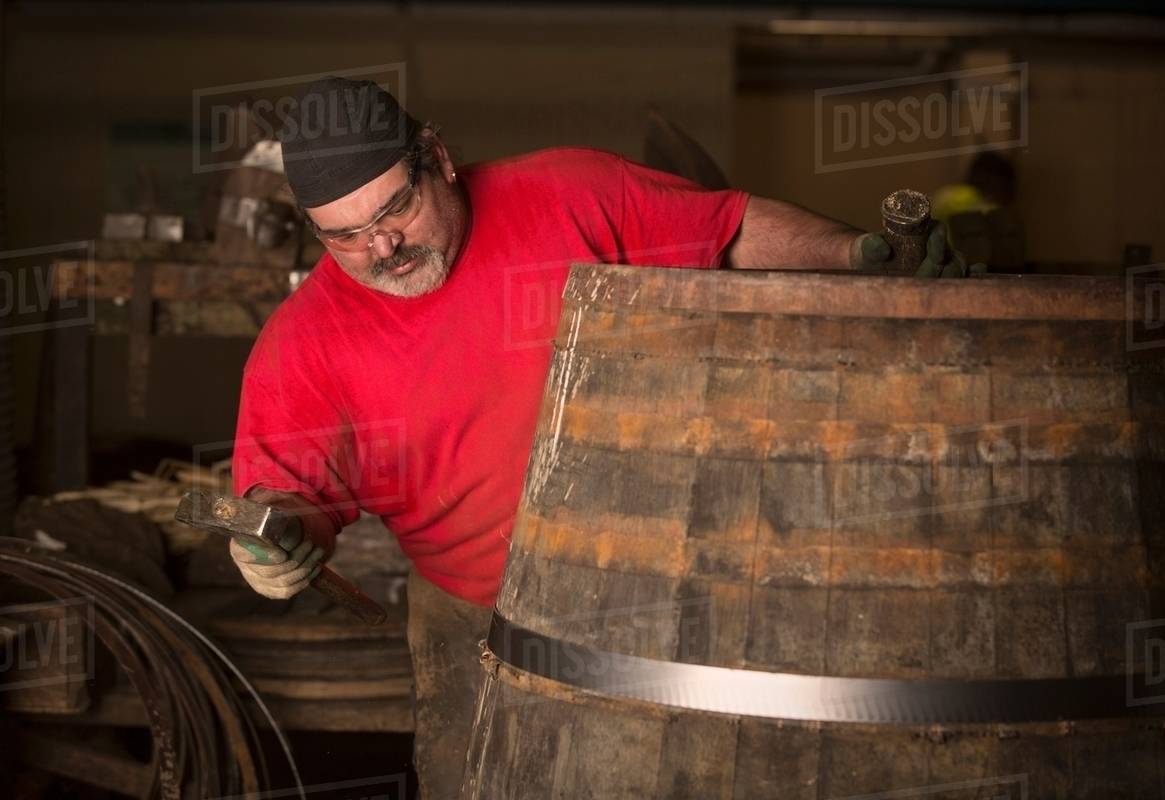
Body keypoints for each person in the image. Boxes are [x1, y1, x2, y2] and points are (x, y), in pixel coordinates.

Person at [227, 76, 969, 799]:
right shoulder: (304, 345)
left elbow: (729, 231)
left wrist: (851, 256)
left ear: (438, 158)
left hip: (651, 595)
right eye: (344, 236)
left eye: (396, 209)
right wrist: (278, 541)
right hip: (472, 620)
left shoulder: (567, 193)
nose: (382, 246)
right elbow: (293, 498)